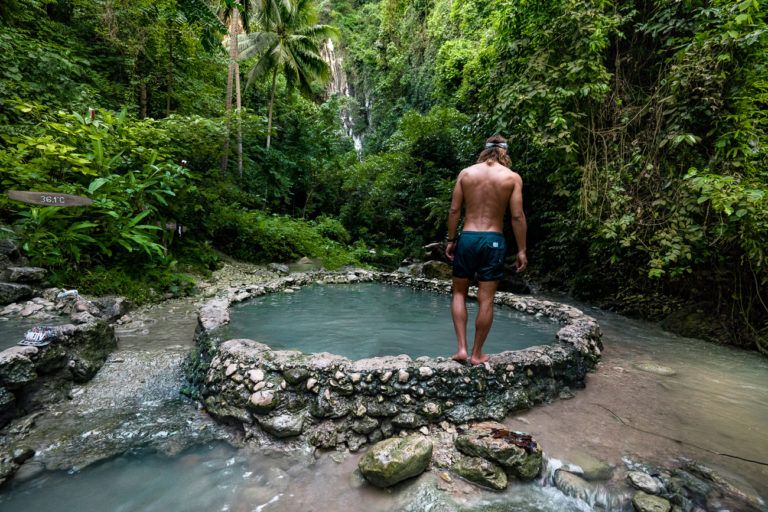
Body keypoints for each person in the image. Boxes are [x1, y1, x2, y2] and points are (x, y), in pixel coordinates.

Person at [445, 135, 527, 365]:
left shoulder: (466, 174)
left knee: (459, 293)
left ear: (485, 151)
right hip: (493, 240)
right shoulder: (511, 177)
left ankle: (461, 349)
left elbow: (454, 210)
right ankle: (477, 354)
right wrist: (522, 250)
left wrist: (451, 240)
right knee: (486, 299)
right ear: (504, 152)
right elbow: (517, 216)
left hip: (468, 238)